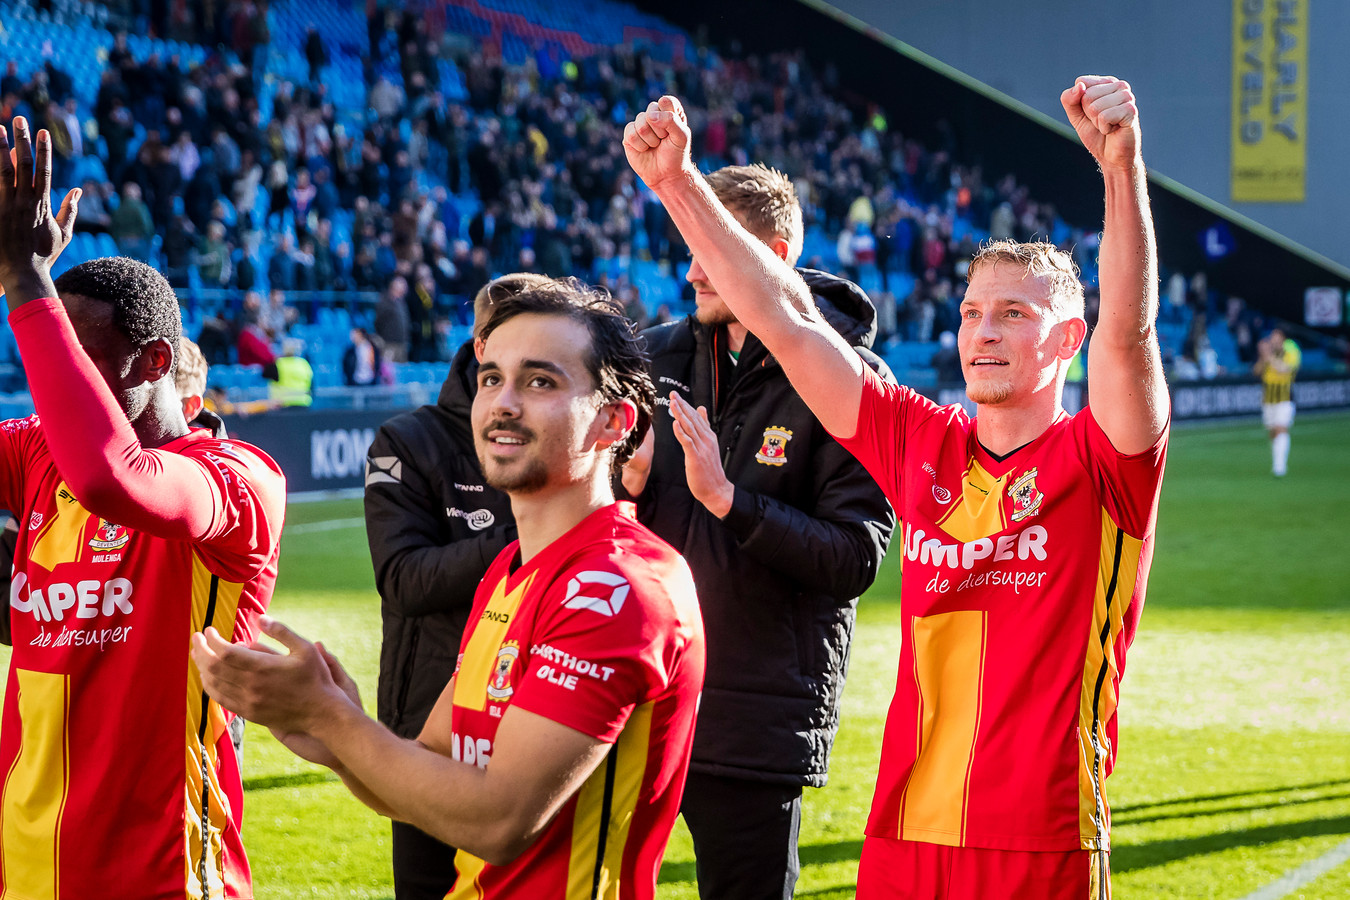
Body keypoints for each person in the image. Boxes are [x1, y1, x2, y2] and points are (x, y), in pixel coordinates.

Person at [624, 78, 1168, 899]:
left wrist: (1120, 170)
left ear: (1066, 338)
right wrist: (675, 183)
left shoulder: (1104, 462)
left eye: (1013, 314)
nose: (983, 331)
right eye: (971, 312)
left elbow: (1130, 338)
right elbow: (788, 320)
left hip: (1039, 838)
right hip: (904, 830)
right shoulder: (920, 441)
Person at [194, 280, 706, 898]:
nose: (503, 403)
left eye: (540, 381)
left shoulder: (619, 588)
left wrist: (328, 716)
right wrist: (335, 729)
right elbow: (433, 771)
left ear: (612, 421)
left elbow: (498, 819)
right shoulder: (510, 569)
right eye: (492, 378)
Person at [0, 118, 285, 898]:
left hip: (165, 872)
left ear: (155, 361)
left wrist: (28, 284)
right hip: (24, 870)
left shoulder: (235, 480)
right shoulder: (35, 452)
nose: (55, 382)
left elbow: (112, 481)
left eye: (75, 355)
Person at [620, 163, 895, 899]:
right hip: (631, 694)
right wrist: (627, 491)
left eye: (707, 248)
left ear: (770, 258)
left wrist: (730, 502)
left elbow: (856, 556)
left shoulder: (850, 379)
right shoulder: (651, 359)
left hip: (753, 718)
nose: (688, 272)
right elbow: (593, 535)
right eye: (686, 245)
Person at [363, 272, 548, 899]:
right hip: (430, 729)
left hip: (544, 714)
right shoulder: (409, 441)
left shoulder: (566, 437)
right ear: (480, 346)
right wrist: (527, 534)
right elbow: (403, 581)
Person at [1254, 327, 1299, 477]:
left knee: (1281, 428)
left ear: (1283, 338)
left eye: (1276, 336)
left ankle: (1280, 466)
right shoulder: (1268, 354)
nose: (1273, 339)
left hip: (1285, 397)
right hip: (1268, 399)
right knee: (1273, 432)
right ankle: (1277, 461)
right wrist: (1262, 357)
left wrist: (1268, 357)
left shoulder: (1291, 352)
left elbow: (1285, 369)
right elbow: (1256, 372)